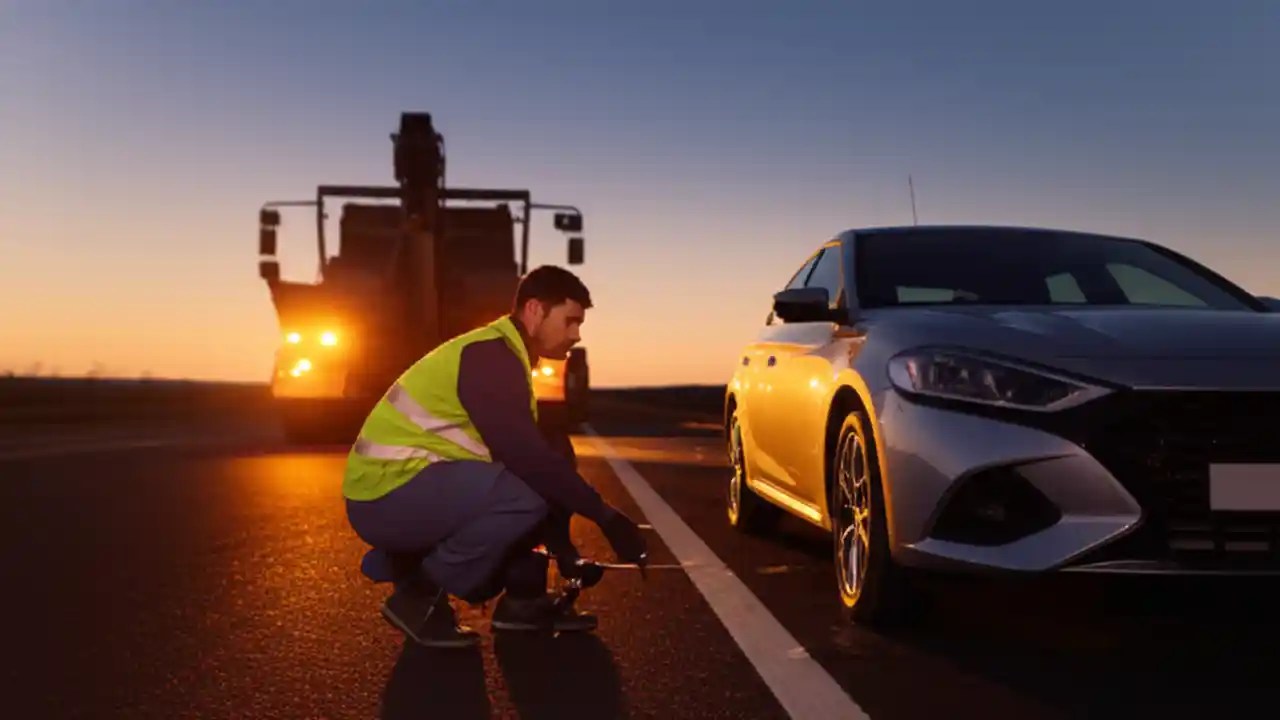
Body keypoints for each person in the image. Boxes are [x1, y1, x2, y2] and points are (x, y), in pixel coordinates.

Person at [342, 265, 649, 648]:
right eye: (570, 321)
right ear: (535, 310)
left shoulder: (509, 357)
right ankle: (418, 594)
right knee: (521, 497)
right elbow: (526, 461)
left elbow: (542, 459)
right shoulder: (490, 356)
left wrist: (564, 547)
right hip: (385, 494)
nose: (576, 334)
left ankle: (523, 600)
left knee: (549, 461)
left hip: (410, 490)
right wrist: (605, 516)